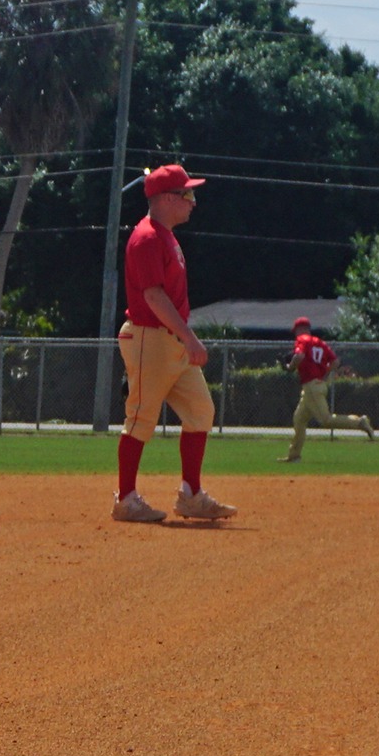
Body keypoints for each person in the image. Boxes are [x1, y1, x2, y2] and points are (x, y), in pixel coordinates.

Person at [111, 165, 237, 523]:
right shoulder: (148, 237)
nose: (192, 202)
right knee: (140, 419)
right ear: (167, 199)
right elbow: (152, 296)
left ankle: (191, 496)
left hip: (169, 340)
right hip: (151, 336)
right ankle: (126, 498)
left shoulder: (165, 236)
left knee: (201, 412)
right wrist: (190, 337)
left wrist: (183, 338)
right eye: (187, 194)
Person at [277, 317, 373, 462]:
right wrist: (325, 374)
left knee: (326, 420)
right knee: (299, 419)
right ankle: (294, 456)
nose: (295, 334)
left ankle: (359, 422)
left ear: (301, 329)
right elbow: (336, 361)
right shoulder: (320, 342)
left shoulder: (302, 339)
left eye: (296, 330)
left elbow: (299, 355)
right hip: (317, 385)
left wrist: (290, 367)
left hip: (311, 387)